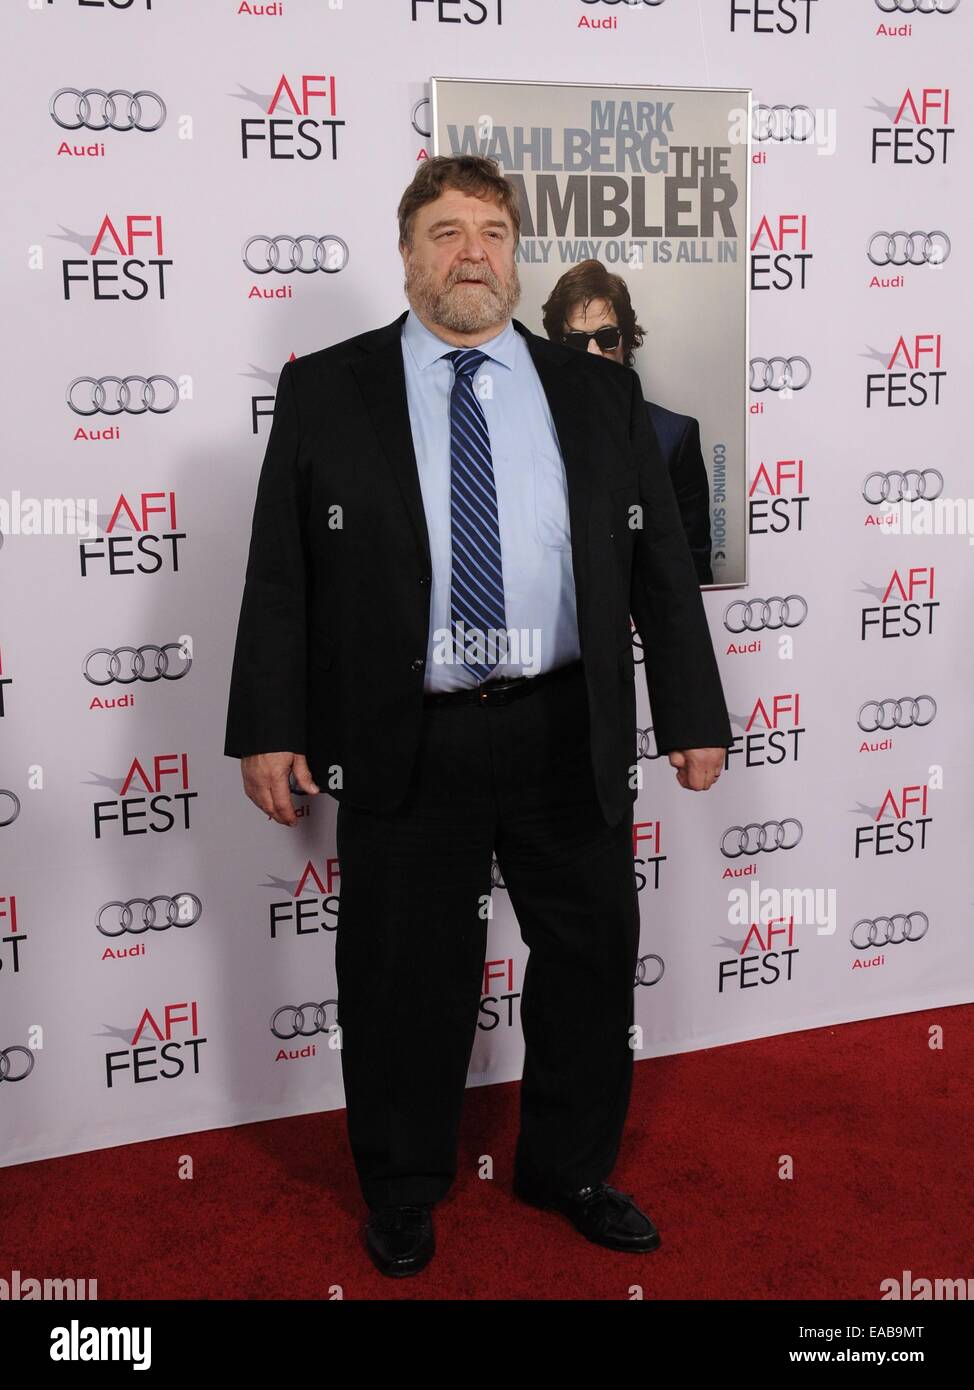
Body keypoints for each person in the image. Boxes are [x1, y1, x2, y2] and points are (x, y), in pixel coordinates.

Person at [224, 154, 732, 1278]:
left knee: (591, 957)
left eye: (492, 231)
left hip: (565, 725)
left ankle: (570, 1168)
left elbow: (657, 570)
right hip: (410, 734)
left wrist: (692, 712)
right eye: (445, 231)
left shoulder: (594, 391)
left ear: (514, 254)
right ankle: (404, 1185)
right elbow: (278, 574)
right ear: (407, 255)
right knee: (405, 971)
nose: (471, 252)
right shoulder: (328, 388)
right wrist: (268, 723)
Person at [542, 260, 715, 583]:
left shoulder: (674, 437)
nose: (592, 353)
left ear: (626, 339)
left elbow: (693, 572)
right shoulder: (531, 432)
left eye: (606, 337)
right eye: (577, 341)